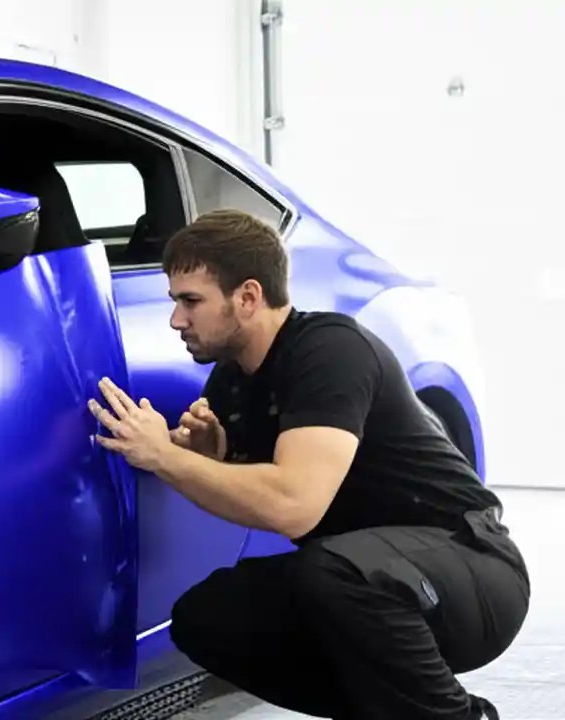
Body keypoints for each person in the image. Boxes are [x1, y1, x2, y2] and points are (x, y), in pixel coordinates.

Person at [87, 210, 529, 720]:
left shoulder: (330, 350)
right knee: (207, 617)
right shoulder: (232, 382)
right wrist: (218, 460)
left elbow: (293, 506)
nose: (176, 319)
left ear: (248, 297)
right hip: (373, 582)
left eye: (191, 301)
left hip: (471, 570)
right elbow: (256, 494)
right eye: (175, 302)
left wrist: (163, 457)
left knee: (332, 572)